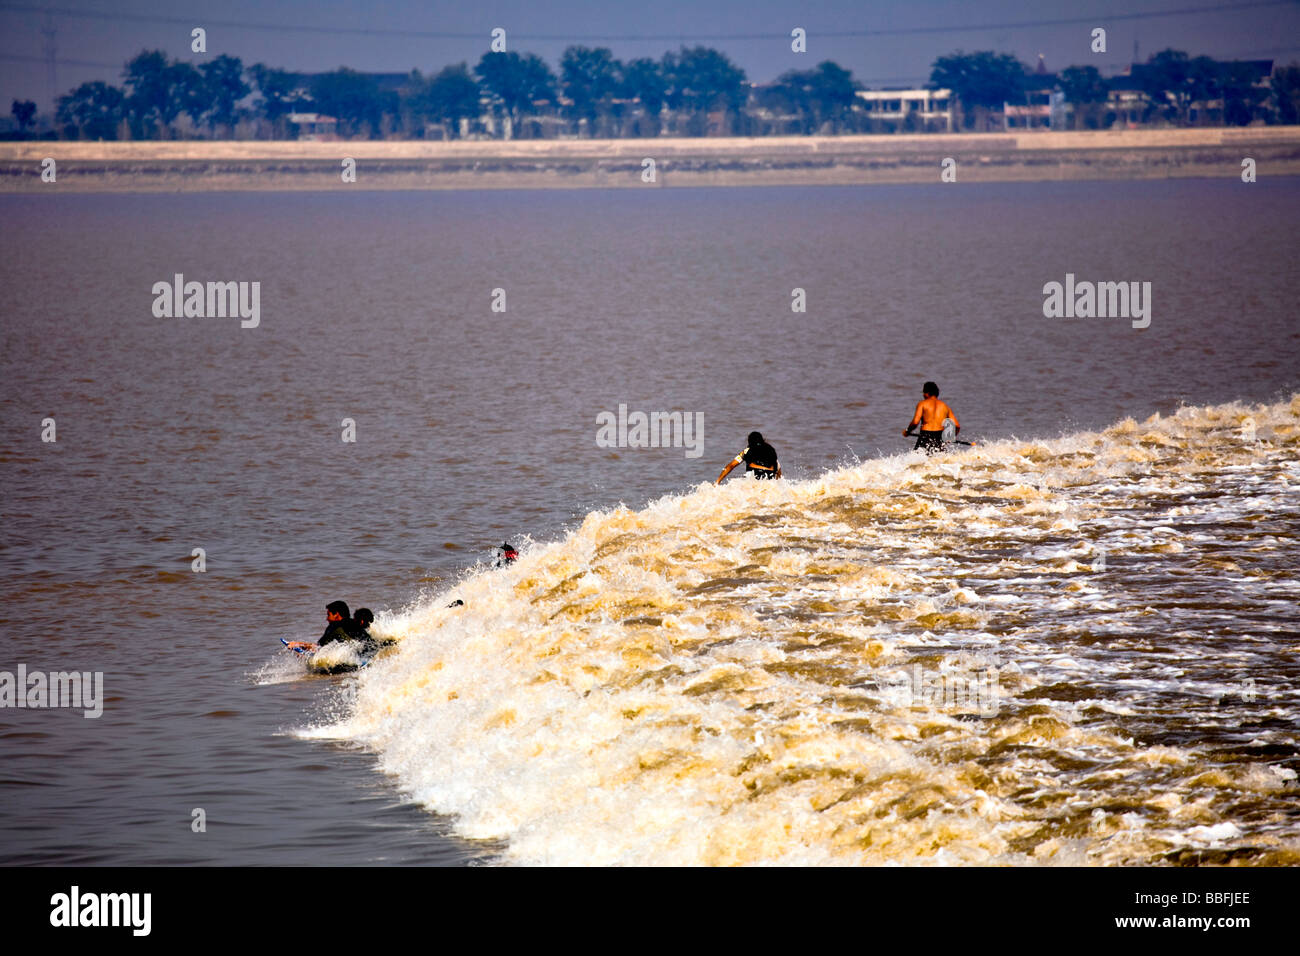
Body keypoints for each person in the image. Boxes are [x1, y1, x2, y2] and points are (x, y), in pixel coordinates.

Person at [903, 382, 960, 455]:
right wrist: (949, 438)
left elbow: (915, 422)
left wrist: (907, 431)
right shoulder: (945, 406)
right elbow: (957, 426)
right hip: (940, 436)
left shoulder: (922, 404)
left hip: (926, 435)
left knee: (918, 460)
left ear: (927, 393)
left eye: (923, 392)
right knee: (938, 460)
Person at [716, 431, 782, 484]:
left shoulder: (747, 451)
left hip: (753, 478)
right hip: (769, 480)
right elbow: (778, 472)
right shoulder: (771, 451)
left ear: (749, 442)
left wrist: (717, 481)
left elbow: (731, 466)